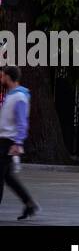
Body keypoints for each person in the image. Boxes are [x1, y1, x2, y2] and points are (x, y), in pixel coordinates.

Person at [0, 67, 38, 221]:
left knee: (0, 177)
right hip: (4, 140)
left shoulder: (20, 97)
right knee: (8, 177)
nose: (0, 78)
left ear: (8, 77)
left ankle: (30, 204)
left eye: (2, 76)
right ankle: (29, 204)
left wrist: (18, 142)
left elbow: (22, 122)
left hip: (8, 142)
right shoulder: (11, 95)